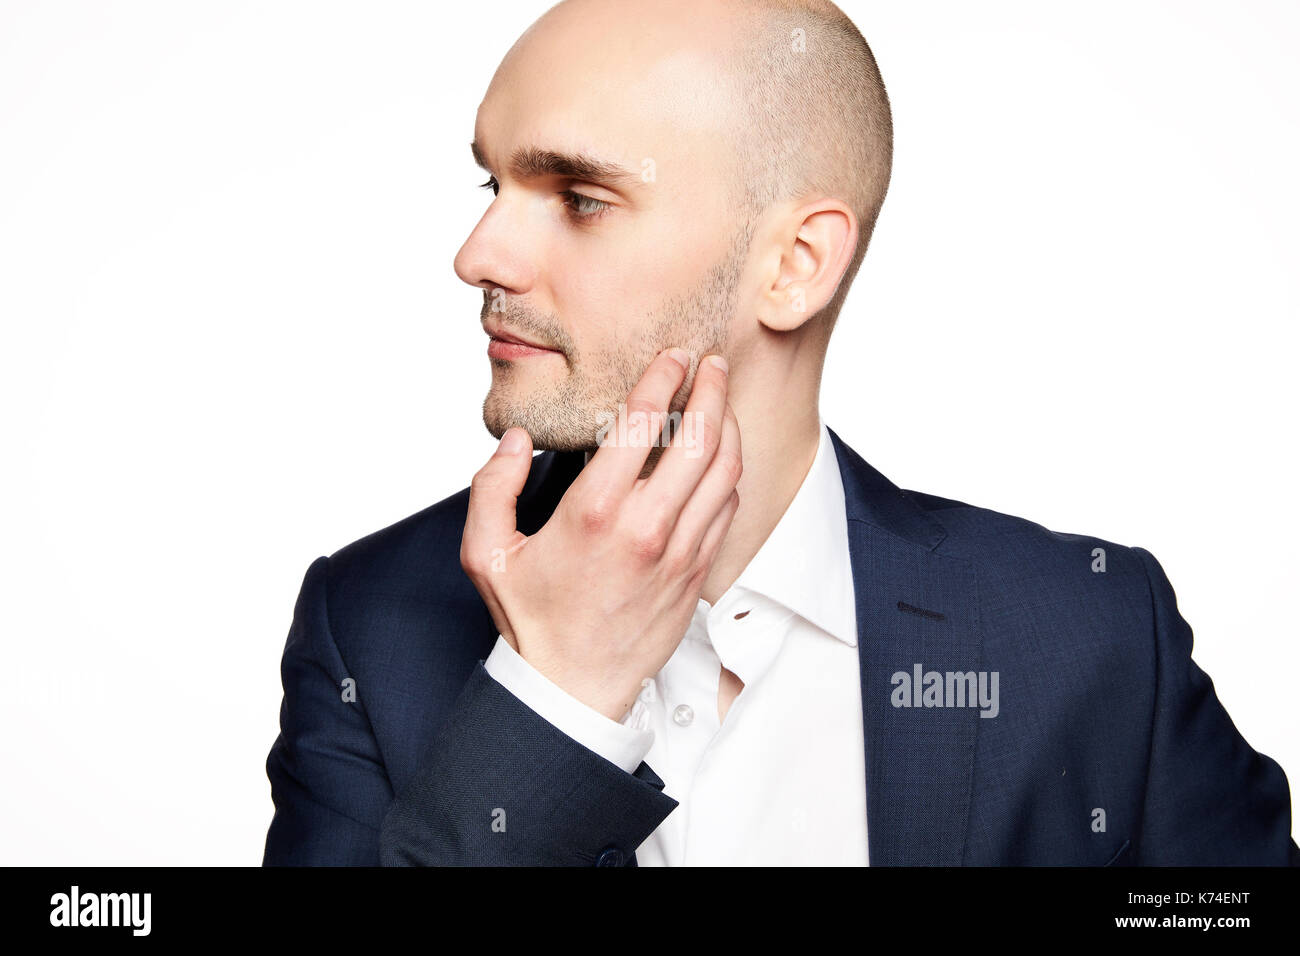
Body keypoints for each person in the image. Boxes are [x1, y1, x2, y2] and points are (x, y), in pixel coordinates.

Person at [263, 0, 1297, 866]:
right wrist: (553, 700)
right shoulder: (371, 625)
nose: (477, 252)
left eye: (578, 196)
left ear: (796, 263)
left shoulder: (1090, 634)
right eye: (495, 184)